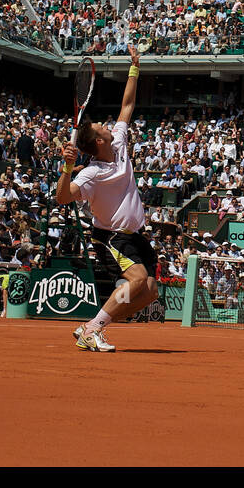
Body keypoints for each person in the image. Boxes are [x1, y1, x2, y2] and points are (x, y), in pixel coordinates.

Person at [57, 45, 157, 352]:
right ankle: (93, 328)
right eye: (102, 126)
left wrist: (134, 66)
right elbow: (63, 198)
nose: (108, 123)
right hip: (111, 237)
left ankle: (95, 324)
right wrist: (67, 167)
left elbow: (128, 104)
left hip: (134, 235)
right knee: (137, 279)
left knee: (149, 291)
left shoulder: (120, 142)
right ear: (99, 140)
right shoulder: (90, 173)